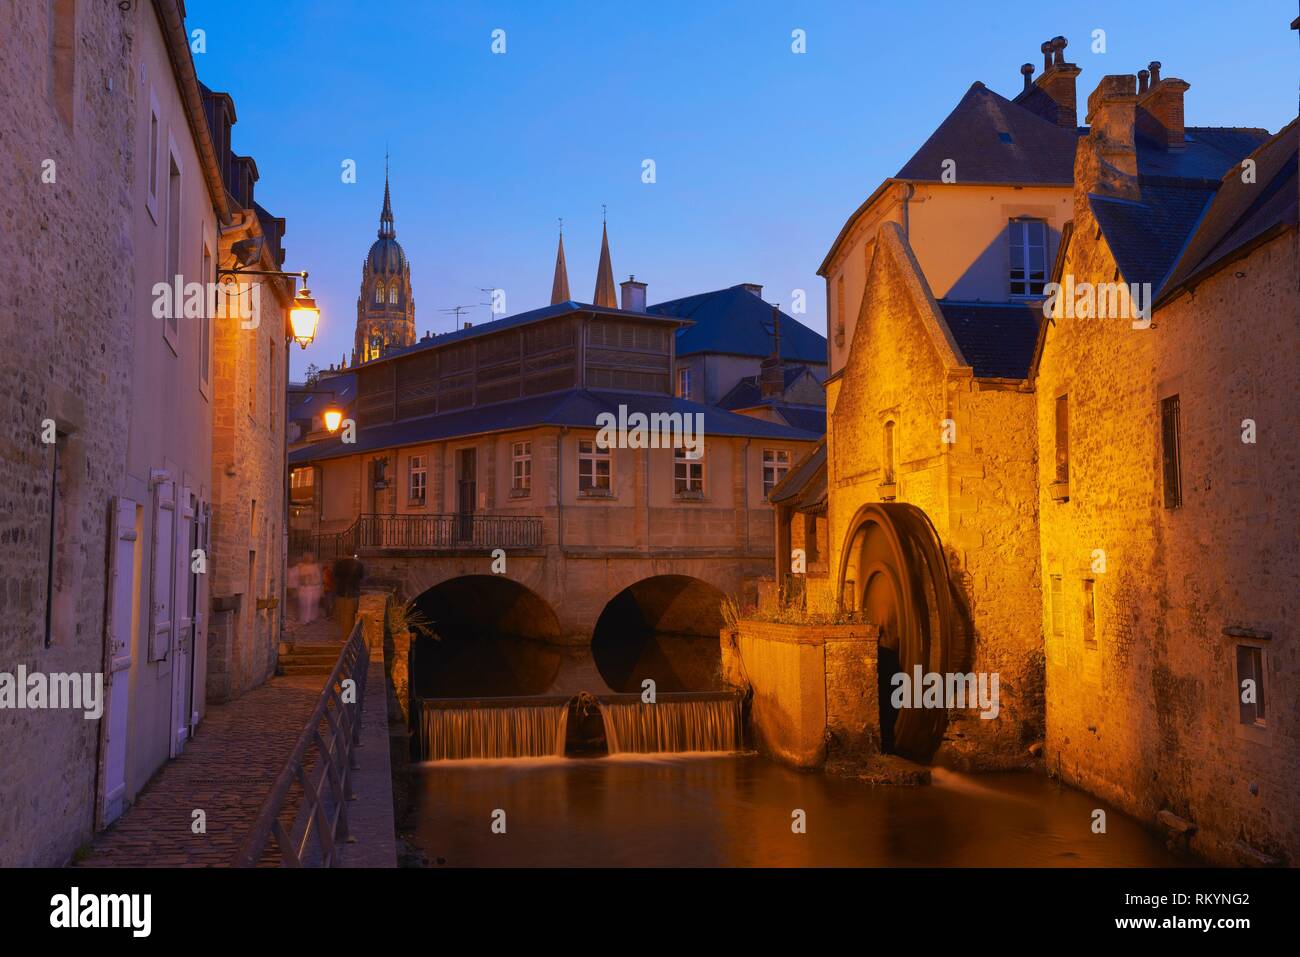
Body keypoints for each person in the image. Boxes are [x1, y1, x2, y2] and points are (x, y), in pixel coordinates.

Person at [332, 554, 365, 638]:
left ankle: (345, 634)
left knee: (342, 614)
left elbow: (334, 576)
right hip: (353, 591)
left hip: (341, 591)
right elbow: (362, 577)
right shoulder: (358, 564)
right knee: (350, 614)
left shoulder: (339, 563)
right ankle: (347, 635)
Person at [297, 552, 322, 625]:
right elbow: (299, 576)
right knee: (304, 604)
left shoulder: (315, 566)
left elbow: (318, 577)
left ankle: (311, 618)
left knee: (312, 604)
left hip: (312, 587)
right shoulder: (301, 566)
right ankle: (305, 619)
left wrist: (313, 580)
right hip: (304, 587)